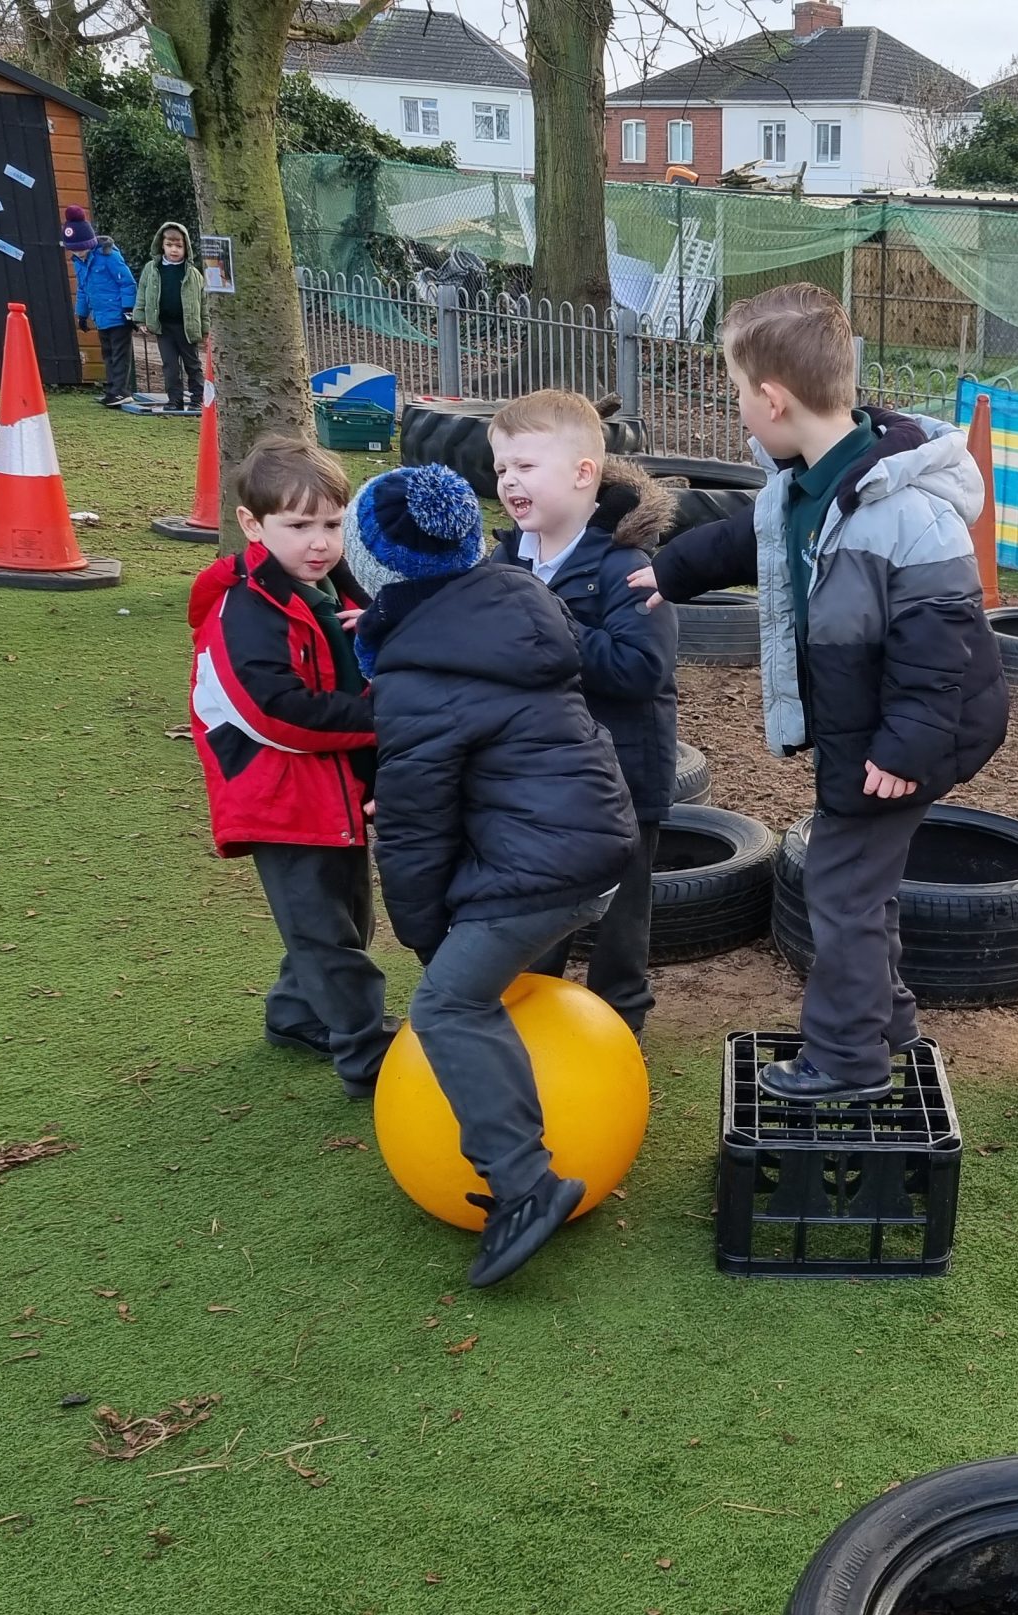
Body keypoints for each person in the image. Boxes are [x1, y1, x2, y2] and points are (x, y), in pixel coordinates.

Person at [632, 283, 1005, 1104]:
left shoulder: (909, 511)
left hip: (914, 728)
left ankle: (848, 1059)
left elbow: (941, 639)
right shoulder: (804, 481)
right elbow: (748, 538)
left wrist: (905, 749)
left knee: (839, 885)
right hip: (862, 717)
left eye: (737, 394)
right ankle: (889, 1017)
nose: (738, 411)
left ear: (773, 398)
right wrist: (668, 570)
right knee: (860, 880)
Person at [353, 464, 640, 1290]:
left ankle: (525, 1184)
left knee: (448, 1002)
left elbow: (411, 833)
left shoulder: (417, 674)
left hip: (547, 861)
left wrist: (427, 943)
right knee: (491, 978)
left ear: (376, 573)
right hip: (588, 840)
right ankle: (518, 1134)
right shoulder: (510, 605)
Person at [183, 435, 388, 1098]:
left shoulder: (327, 586)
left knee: (346, 917)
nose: (320, 541)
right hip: (277, 799)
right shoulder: (244, 609)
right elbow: (278, 711)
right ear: (253, 524)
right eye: (299, 527)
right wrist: (382, 716)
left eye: (331, 524)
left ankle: (296, 1015)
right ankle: (367, 1056)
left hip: (328, 789)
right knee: (327, 934)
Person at [486, 390, 679, 1034]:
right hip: (534, 778)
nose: (510, 481)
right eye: (502, 468)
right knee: (541, 911)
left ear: (583, 473)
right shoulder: (505, 561)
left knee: (621, 923)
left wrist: (549, 623)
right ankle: (538, 1029)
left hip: (619, 779)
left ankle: (620, 1032)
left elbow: (641, 669)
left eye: (526, 466)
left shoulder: (628, 567)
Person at [61, 206, 135, 408]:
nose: (78, 252)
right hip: (101, 316)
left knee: (120, 354)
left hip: (118, 315)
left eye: (81, 248)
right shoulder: (79, 261)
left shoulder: (109, 256)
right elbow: (83, 289)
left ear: (90, 242)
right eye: (73, 249)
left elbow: (127, 282)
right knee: (108, 354)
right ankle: (112, 390)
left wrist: (128, 309)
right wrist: (82, 314)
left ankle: (121, 391)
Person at [130, 220, 205, 415]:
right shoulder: (152, 270)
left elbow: (203, 301)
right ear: (161, 245)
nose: (174, 250)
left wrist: (205, 327)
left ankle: (198, 399)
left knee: (193, 365)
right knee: (170, 366)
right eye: (169, 245)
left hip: (187, 327)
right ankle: (174, 400)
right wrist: (141, 319)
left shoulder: (193, 273)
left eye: (178, 246)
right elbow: (142, 293)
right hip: (164, 327)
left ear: (186, 247)